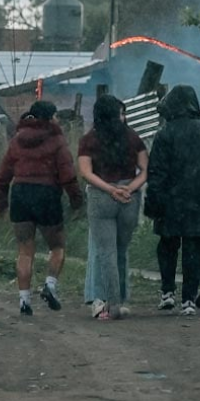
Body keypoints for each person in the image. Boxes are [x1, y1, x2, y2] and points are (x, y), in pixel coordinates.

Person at [144, 85, 200, 316]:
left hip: (172, 202)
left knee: (167, 247)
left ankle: (167, 292)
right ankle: (189, 300)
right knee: (192, 251)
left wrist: (154, 203)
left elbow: (157, 173)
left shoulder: (165, 134)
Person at [0, 101, 84, 316]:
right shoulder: (57, 140)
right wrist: (76, 200)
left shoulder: (17, 140)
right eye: (55, 116)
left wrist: (1, 203)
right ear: (49, 118)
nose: (57, 120)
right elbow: (67, 175)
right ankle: (50, 285)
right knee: (57, 246)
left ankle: (24, 300)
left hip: (20, 194)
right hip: (47, 194)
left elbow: (3, 174)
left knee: (25, 250)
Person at [78, 95, 148, 321]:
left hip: (101, 197)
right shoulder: (132, 137)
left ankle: (109, 304)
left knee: (104, 251)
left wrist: (110, 190)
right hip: (129, 199)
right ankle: (120, 300)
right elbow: (146, 169)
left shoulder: (89, 140)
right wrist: (129, 188)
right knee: (121, 250)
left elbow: (86, 172)